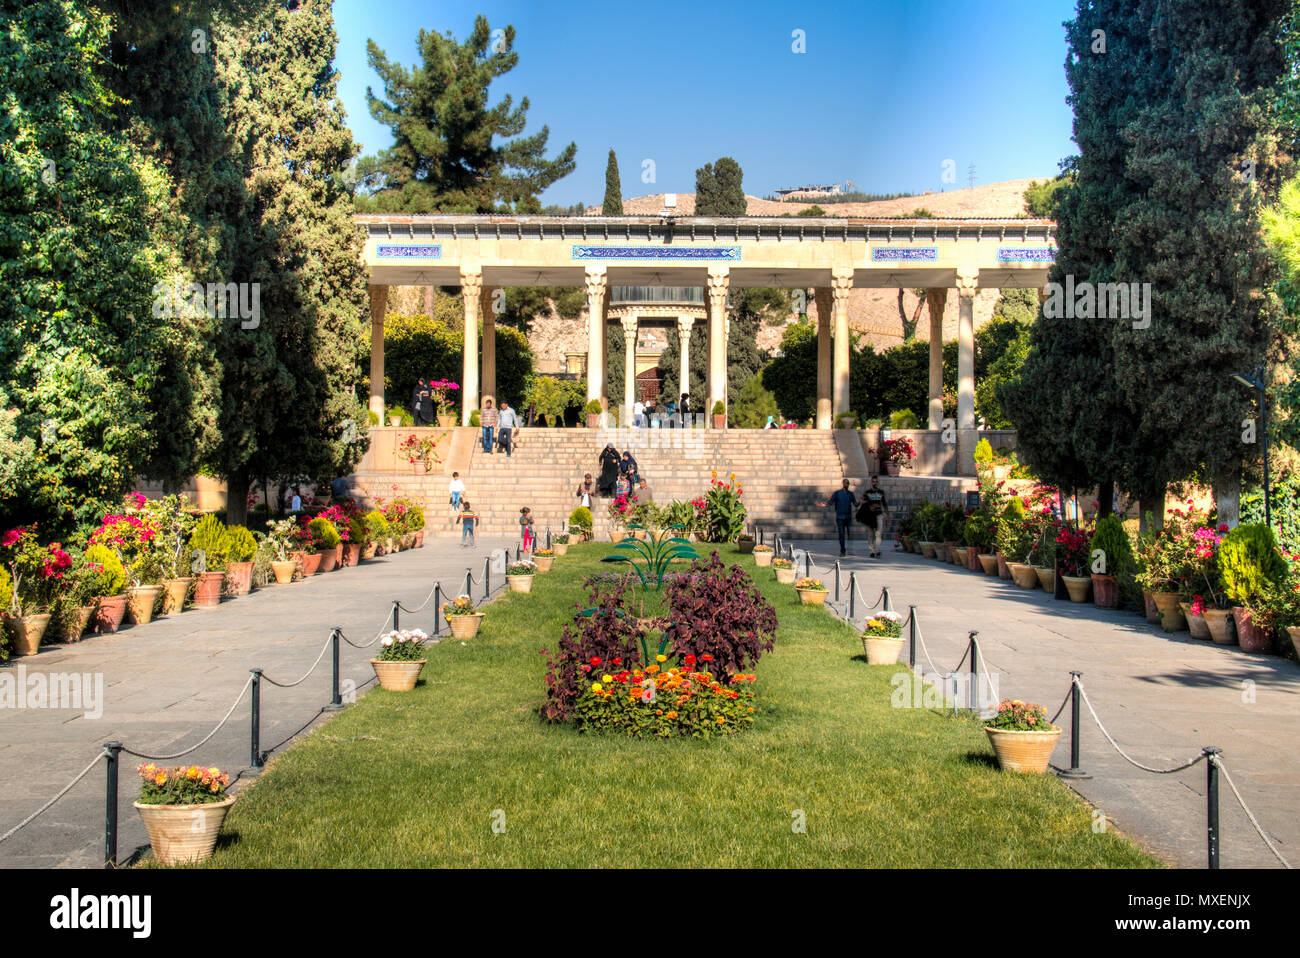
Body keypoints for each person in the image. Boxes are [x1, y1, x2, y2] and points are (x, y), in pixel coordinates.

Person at [818, 479, 858, 557]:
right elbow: (831, 501)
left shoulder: (851, 494)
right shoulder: (837, 493)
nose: (847, 484)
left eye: (848, 483)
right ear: (843, 483)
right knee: (841, 534)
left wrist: (860, 502)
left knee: (850, 534)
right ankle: (842, 550)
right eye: (846, 483)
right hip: (840, 517)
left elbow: (855, 504)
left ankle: (849, 549)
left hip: (848, 517)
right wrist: (825, 504)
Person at [857, 475, 890, 558]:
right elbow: (861, 501)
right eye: (873, 481)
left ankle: (878, 549)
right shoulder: (867, 492)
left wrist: (888, 515)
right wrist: (861, 502)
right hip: (870, 515)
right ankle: (872, 550)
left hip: (879, 514)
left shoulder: (881, 492)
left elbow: (884, 504)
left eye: (876, 481)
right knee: (871, 533)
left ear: (877, 482)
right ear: (871, 482)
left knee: (878, 533)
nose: (874, 483)